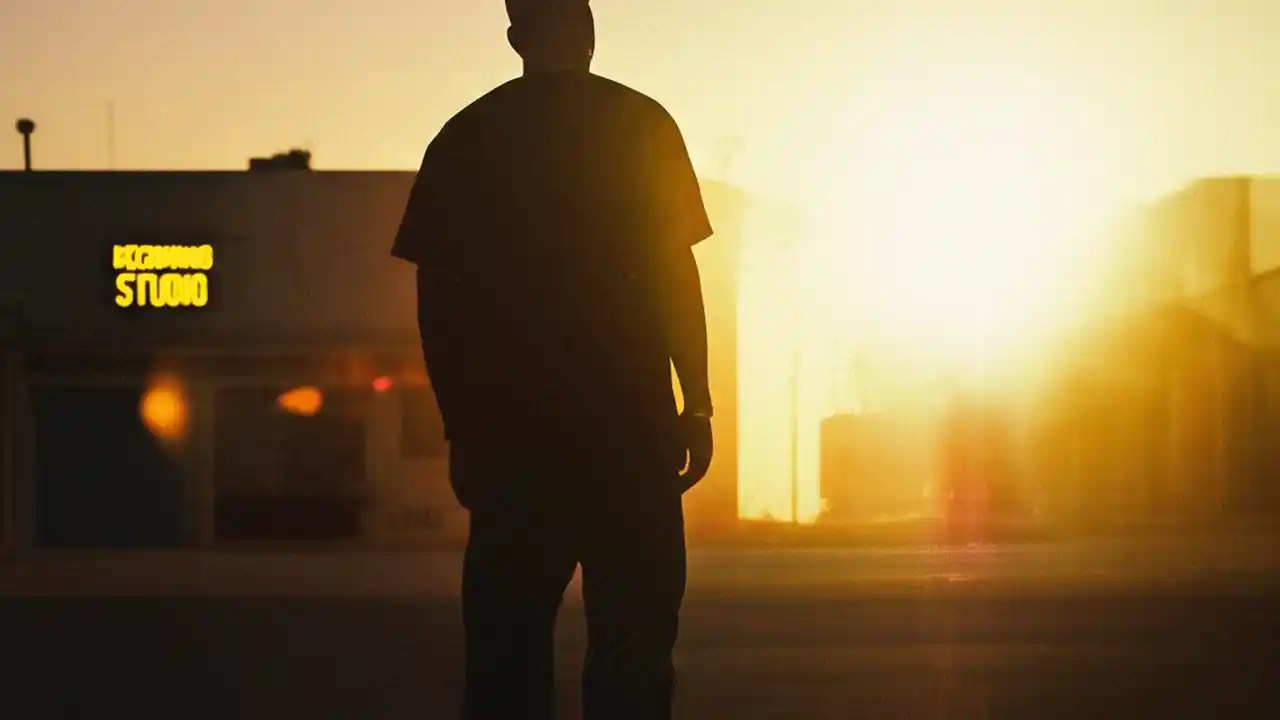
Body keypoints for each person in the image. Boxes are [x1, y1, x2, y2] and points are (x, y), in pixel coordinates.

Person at [390, 1, 714, 717]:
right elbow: (676, 280)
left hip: (516, 449)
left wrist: (460, 427)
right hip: (628, 440)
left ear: (516, 39)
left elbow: (437, 305)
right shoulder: (642, 126)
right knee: (632, 659)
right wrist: (696, 402)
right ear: (589, 34)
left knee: (507, 662)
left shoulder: (468, 136)